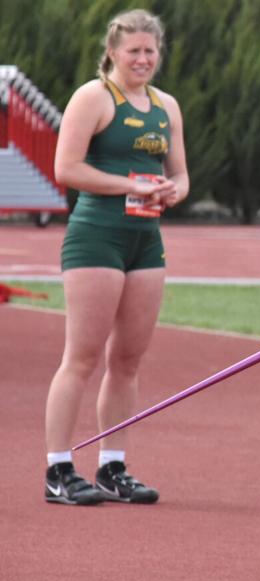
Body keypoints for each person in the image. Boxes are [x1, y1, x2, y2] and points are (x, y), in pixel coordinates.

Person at [45, 8, 187, 505]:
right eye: (134, 52)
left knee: (127, 359)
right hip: (96, 236)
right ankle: (58, 468)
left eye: (150, 51)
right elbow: (67, 168)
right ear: (113, 53)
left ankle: (113, 467)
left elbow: (181, 175)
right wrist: (126, 184)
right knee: (81, 357)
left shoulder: (166, 105)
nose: (143, 59)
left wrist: (171, 190)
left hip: (145, 240)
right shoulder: (94, 97)